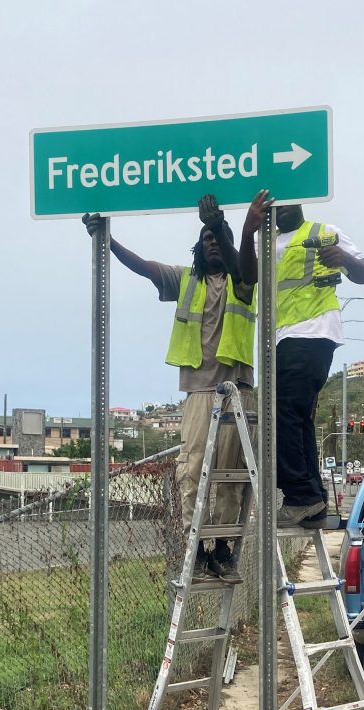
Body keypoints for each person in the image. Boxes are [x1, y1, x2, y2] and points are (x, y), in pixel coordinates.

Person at [83, 197, 256, 582]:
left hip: (239, 391)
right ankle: (197, 550)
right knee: (192, 470)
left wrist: (227, 228)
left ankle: (223, 549)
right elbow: (144, 268)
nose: (213, 241)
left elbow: (245, 269)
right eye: (206, 237)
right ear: (197, 248)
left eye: (220, 236)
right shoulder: (185, 280)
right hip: (198, 391)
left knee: (232, 473)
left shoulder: (243, 279)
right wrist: (108, 240)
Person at [239, 192, 364, 526]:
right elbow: (246, 275)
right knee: (297, 418)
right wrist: (247, 230)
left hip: (313, 332)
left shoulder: (323, 230)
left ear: (299, 201)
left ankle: (300, 495)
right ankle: (312, 498)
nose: (279, 212)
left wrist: (341, 255)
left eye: (284, 204)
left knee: (280, 413)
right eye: (273, 208)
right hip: (285, 338)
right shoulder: (265, 242)